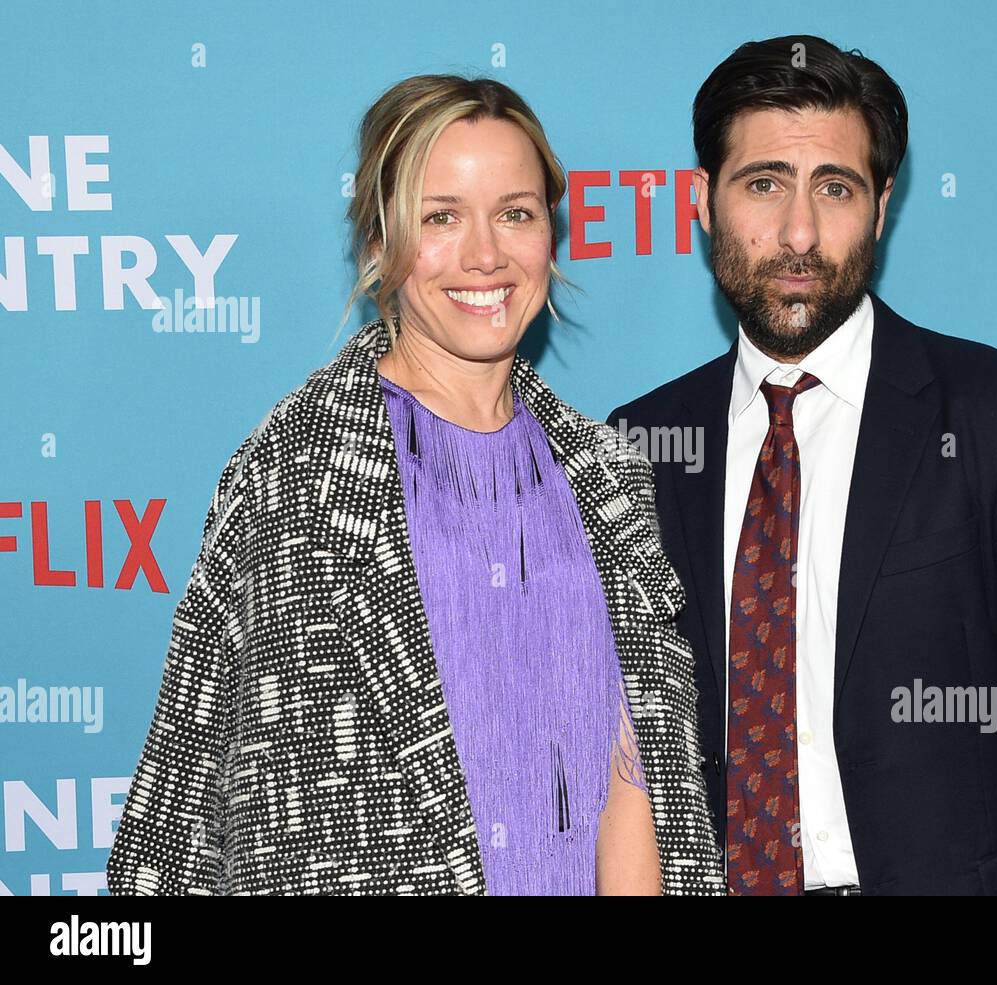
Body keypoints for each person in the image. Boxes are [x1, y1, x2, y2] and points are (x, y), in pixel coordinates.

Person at [106, 74, 725, 896]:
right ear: (378, 246)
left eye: (515, 212)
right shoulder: (300, 474)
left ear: (550, 233)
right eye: (441, 217)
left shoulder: (607, 473)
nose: (485, 254)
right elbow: (230, 801)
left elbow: (633, 779)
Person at [608, 35, 997, 895]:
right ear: (703, 202)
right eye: (763, 183)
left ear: (882, 206)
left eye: (835, 188)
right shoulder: (637, 443)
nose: (798, 233)